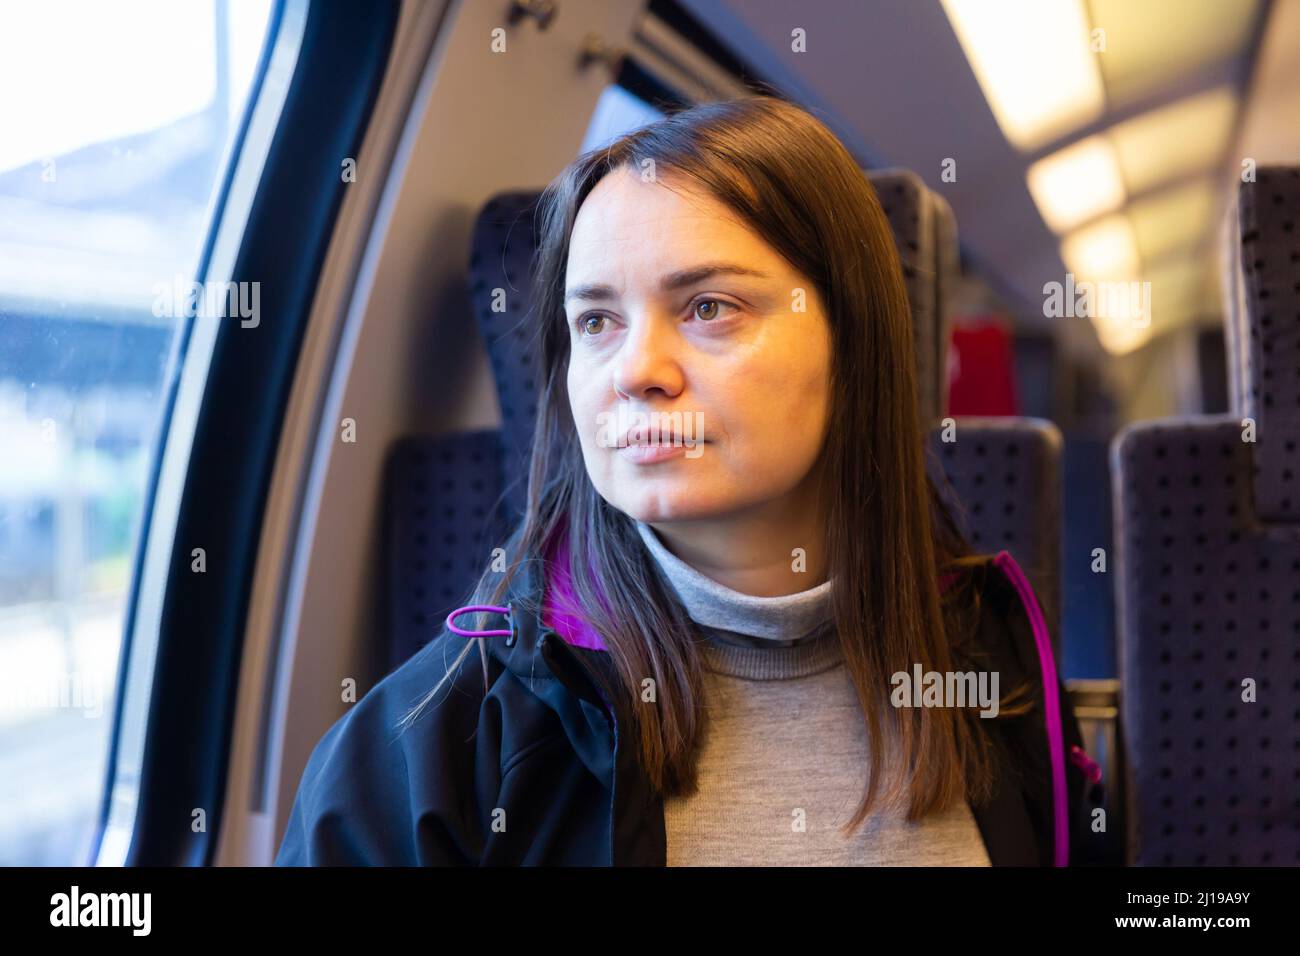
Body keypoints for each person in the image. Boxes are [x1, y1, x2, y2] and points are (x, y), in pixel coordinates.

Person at [275, 95, 1103, 867]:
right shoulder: (432, 742)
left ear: (852, 343)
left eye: (709, 307)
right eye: (596, 321)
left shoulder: (989, 656)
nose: (636, 370)